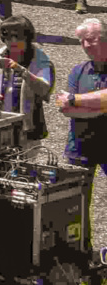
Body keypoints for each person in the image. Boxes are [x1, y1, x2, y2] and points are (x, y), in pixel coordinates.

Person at [51, 19, 107, 260]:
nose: (85, 45)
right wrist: (100, 107)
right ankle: (82, 253)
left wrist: (76, 100)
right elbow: (64, 109)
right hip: (79, 145)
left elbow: (71, 102)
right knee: (74, 204)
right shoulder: (78, 70)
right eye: (82, 41)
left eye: (91, 40)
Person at [0, 14, 56, 143]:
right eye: (8, 36)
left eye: (18, 36)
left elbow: (44, 90)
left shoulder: (40, 59)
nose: (13, 41)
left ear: (27, 37)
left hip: (28, 125)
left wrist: (22, 71)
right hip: (0, 121)